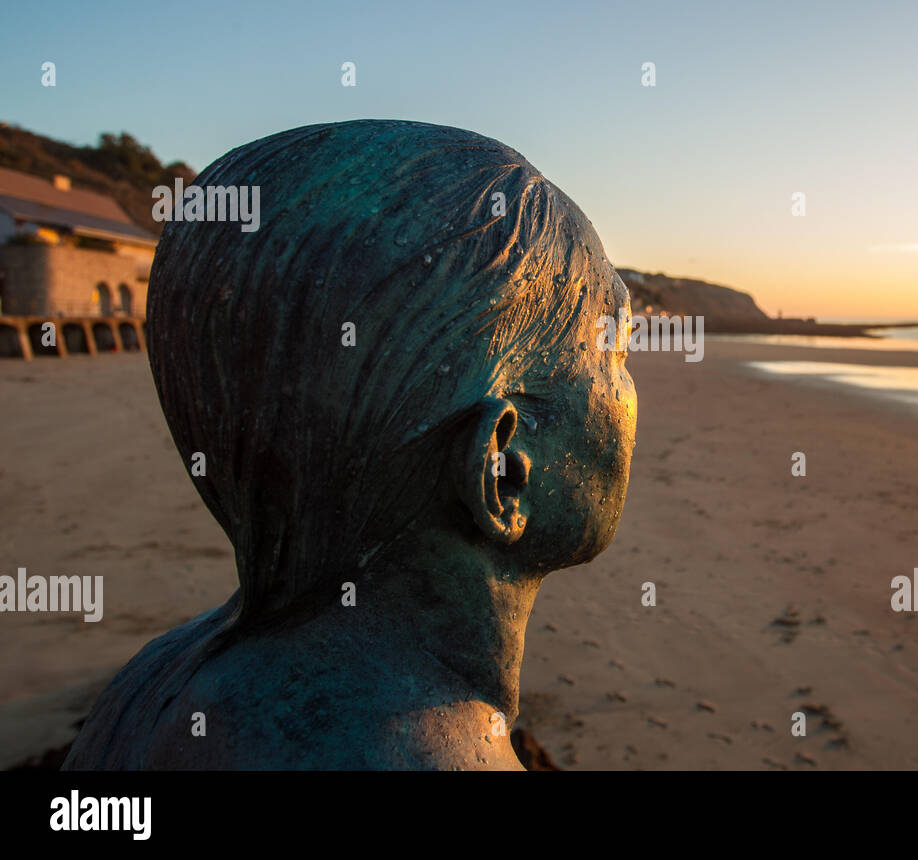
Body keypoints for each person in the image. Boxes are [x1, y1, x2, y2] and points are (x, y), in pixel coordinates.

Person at [64, 120, 637, 769]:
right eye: (615, 350)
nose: (629, 383)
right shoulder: (430, 755)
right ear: (502, 470)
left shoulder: (154, 680)